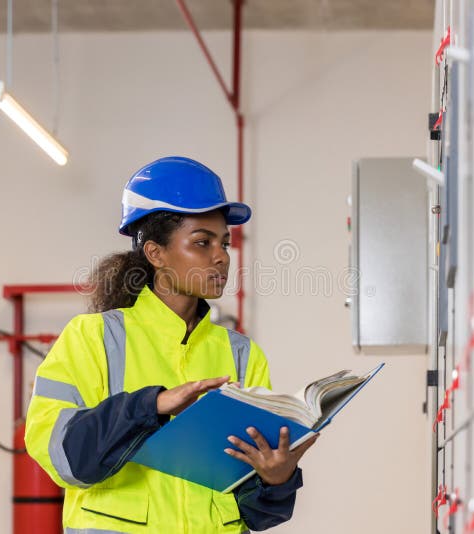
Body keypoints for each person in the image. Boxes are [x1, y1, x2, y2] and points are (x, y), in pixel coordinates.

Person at [25, 156, 318, 533]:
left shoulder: (242, 355)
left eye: (224, 243)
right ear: (155, 253)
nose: (221, 257)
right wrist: (150, 405)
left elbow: (256, 514)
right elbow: (62, 457)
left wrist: (277, 480)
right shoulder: (92, 338)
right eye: (202, 243)